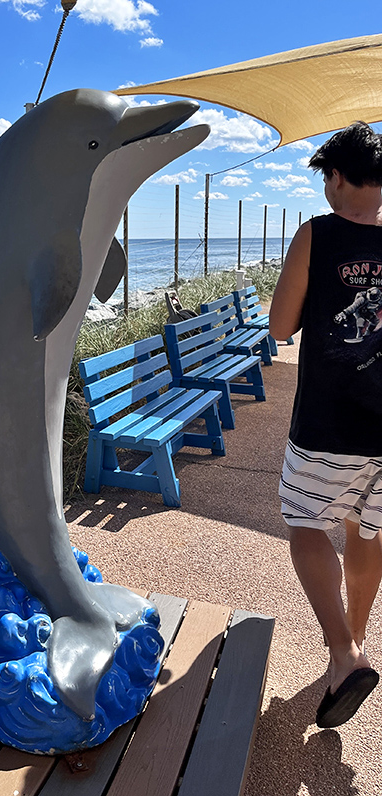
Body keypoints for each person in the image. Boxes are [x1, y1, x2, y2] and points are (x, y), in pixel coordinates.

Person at [269, 121, 382, 729]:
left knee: (305, 525)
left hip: (329, 422)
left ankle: (343, 651)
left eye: (327, 179)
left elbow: (281, 326)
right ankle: (355, 641)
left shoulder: (317, 233)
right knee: (368, 531)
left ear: (337, 176)